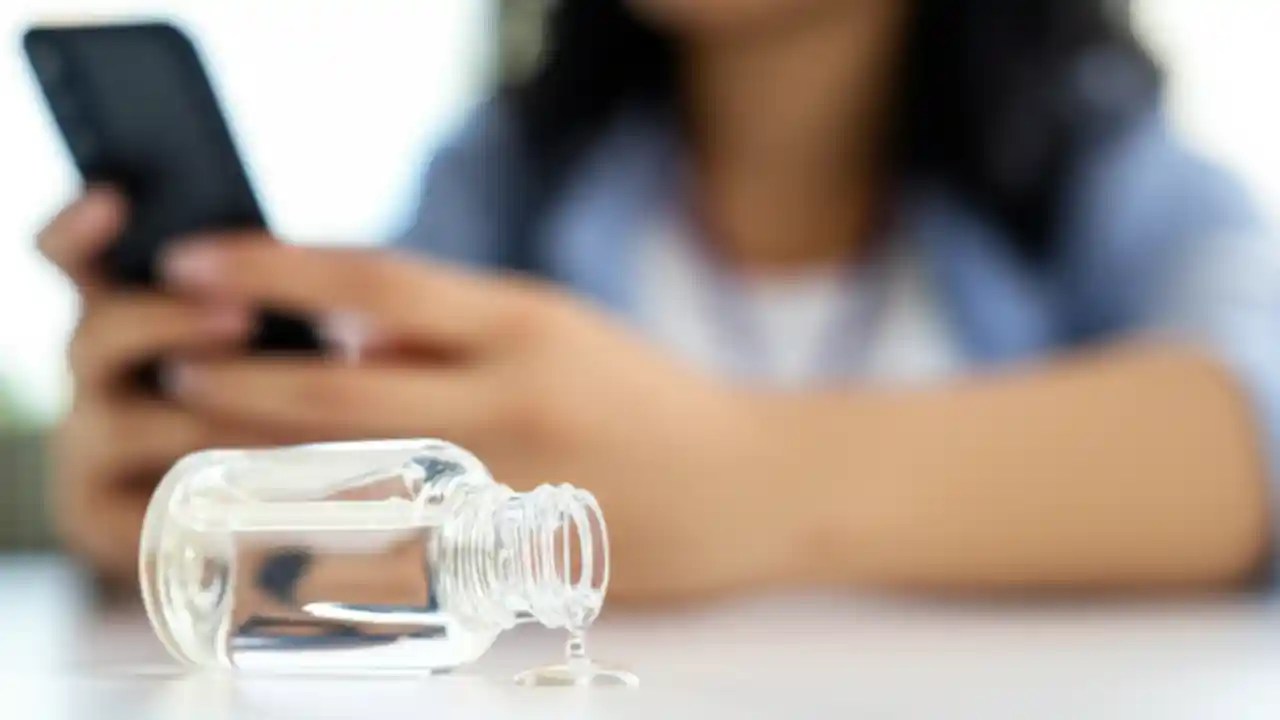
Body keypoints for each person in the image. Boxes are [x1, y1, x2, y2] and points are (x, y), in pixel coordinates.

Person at [39, 0, 1280, 602]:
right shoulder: (503, 182)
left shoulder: (1097, 172)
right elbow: (348, 503)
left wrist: (753, 479)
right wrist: (189, 479)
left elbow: (1249, 417)